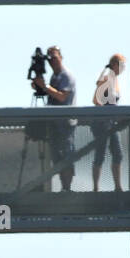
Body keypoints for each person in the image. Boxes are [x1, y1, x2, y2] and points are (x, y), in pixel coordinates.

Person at [31, 45, 76, 192]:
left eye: (55, 57)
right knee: (57, 158)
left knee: (67, 157)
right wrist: (40, 87)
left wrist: (44, 86)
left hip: (65, 124)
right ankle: (63, 188)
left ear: (61, 58)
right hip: (54, 125)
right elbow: (51, 94)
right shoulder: (54, 76)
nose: (52, 61)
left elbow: (62, 96)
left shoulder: (66, 75)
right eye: (49, 58)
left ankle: (67, 189)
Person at [91, 54, 125, 193]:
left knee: (118, 154)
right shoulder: (107, 76)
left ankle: (117, 187)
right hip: (101, 122)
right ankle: (96, 188)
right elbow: (96, 99)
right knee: (100, 153)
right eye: (121, 65)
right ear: (115, 65)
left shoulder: (115, 80)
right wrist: (102, 113)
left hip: (112, 121)